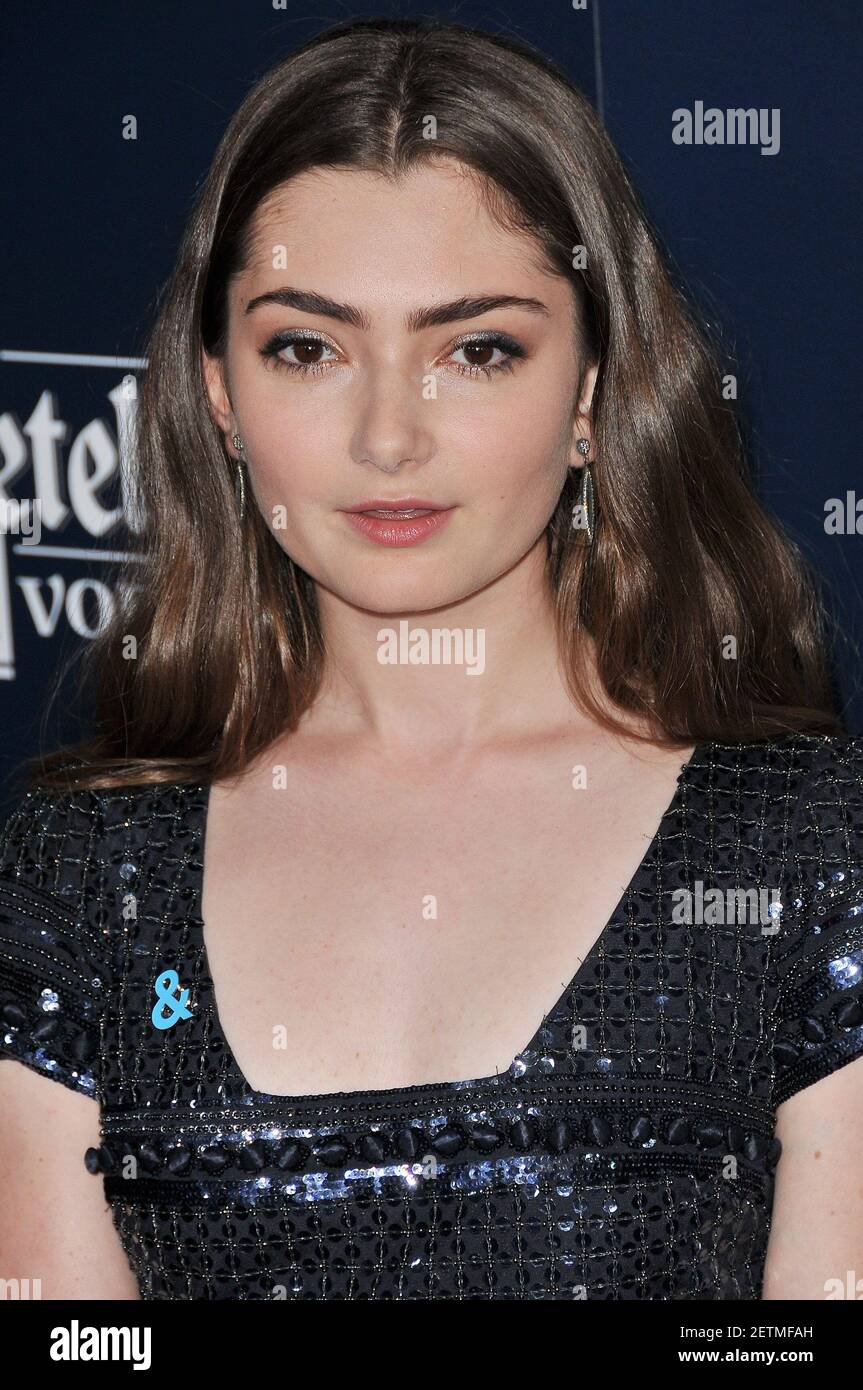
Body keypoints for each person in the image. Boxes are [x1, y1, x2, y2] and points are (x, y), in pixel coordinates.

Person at [1, 16, 861, 1302]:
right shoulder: (81, 876)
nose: (387, 435)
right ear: (220, 395)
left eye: (476, 349)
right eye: (307, 346)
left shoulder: (800, 851)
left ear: (589, 392)